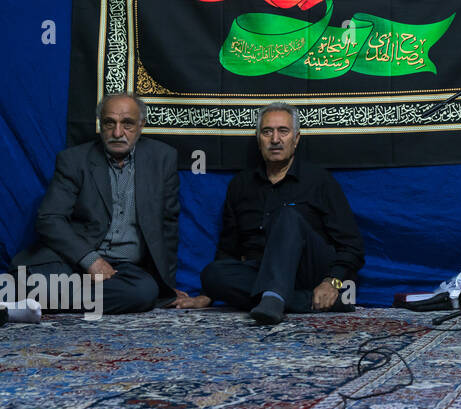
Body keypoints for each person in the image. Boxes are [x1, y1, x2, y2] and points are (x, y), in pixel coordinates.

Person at [14, 92, 197, 313]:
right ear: (100, 124)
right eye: (109, 123)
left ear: (141, 125)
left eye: (127, 124)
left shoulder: (162, 158)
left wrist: (167, 287)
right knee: (30, 278)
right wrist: (90, 260)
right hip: (74, 261)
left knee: (144, 292)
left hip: (123, 272)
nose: (117, 132)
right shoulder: (74, 160)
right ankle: (50, 293)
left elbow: (168, 227)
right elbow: (48, 219)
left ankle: (42, 298)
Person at [198, 102, 364, 324]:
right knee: (212, 275)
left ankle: (275, 298)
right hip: (260, 271)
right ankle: (299, 301)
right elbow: (229, 248)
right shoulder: (240, 185)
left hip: (308, 271)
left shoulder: (319, 181)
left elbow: (352, 246)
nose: (275, 139)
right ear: (259, 139)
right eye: (267, 132)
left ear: (296, 139)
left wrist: (331, 282)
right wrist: (210, 294)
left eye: (283, 131)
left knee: (288, 216)